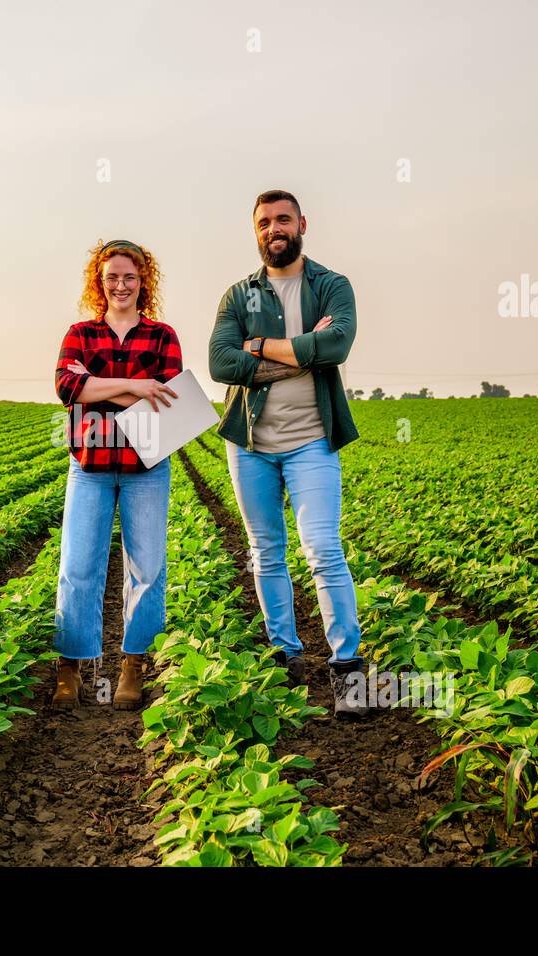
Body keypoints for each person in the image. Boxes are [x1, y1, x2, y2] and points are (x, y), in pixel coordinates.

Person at [207, 189, 369, 718]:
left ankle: (348, 669)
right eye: (263, 223)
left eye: (282, 220)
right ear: (254, 232)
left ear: (302, 224)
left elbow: (337, 345)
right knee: (265, 550)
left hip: (311, 442)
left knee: (323, 549)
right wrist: (301, 353)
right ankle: (286, 656)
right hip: (250, 444)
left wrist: (260, 346)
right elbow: (221, 363)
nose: (273, 229)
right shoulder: (239, 295)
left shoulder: (330, 286)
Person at [52, 239, 183, 711]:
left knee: (146, 568)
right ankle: (71, 666)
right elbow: (67, 386)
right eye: (112, 277)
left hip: (145, 465)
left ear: (143, 280)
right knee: (77, 566)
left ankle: (134, 663)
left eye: (129, 276)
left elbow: (170, 398)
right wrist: (134, 386)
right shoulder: (81, 332)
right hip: (90, 463)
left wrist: (99, 390)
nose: (121, 285)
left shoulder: (163, 336)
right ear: (99, 282)